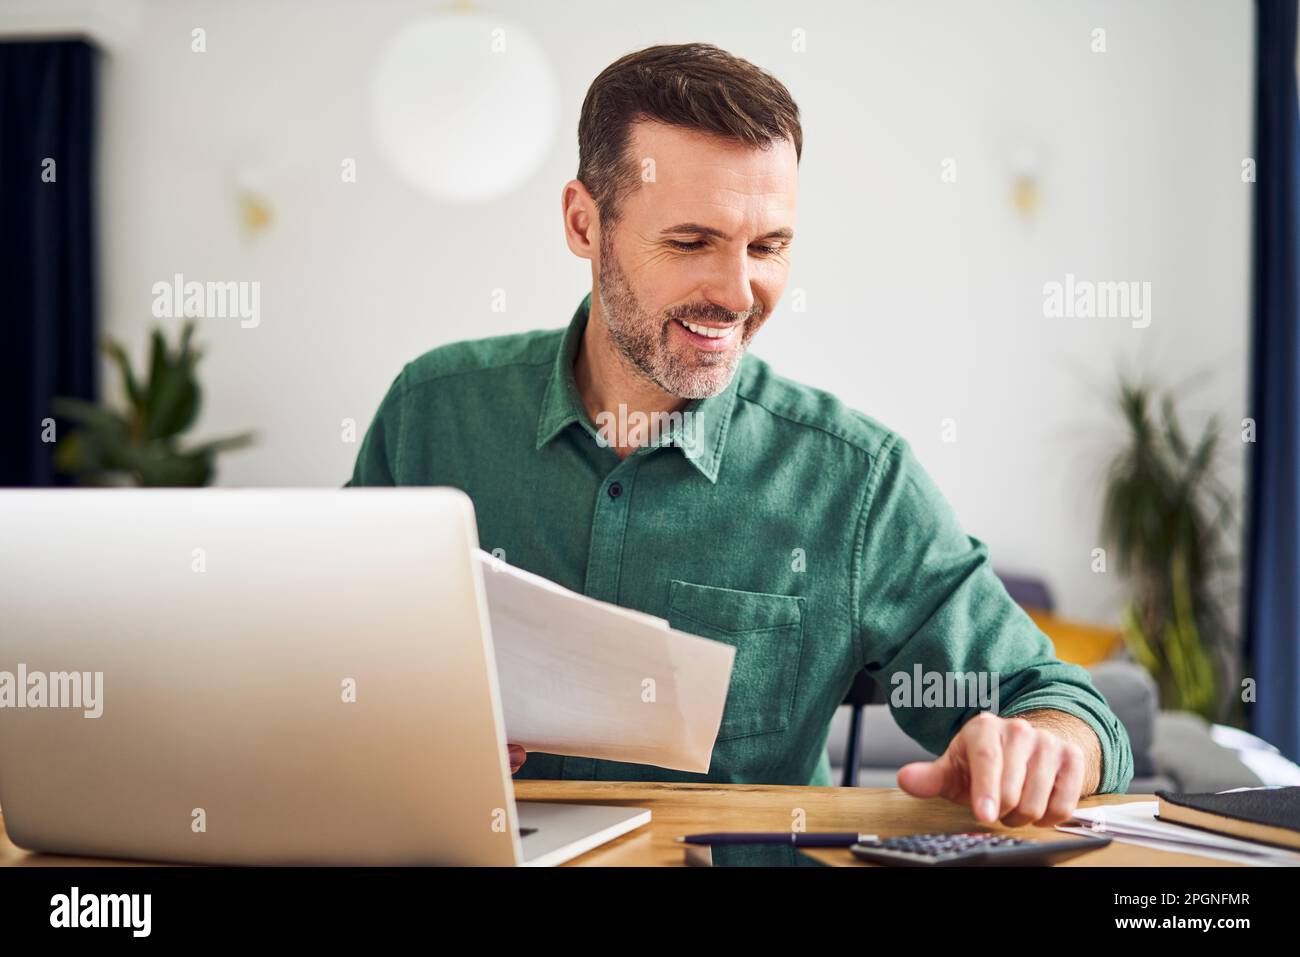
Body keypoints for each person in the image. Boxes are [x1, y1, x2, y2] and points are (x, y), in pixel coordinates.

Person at [348, 43, 1134, 826]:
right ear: (584, 224)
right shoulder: (430, 414)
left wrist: (1044, 743)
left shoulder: (855, 480)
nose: (735, 293)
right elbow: (326, 665)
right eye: (691, 242)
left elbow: (1059, 701)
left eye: (768, 247)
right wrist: (397, 717)